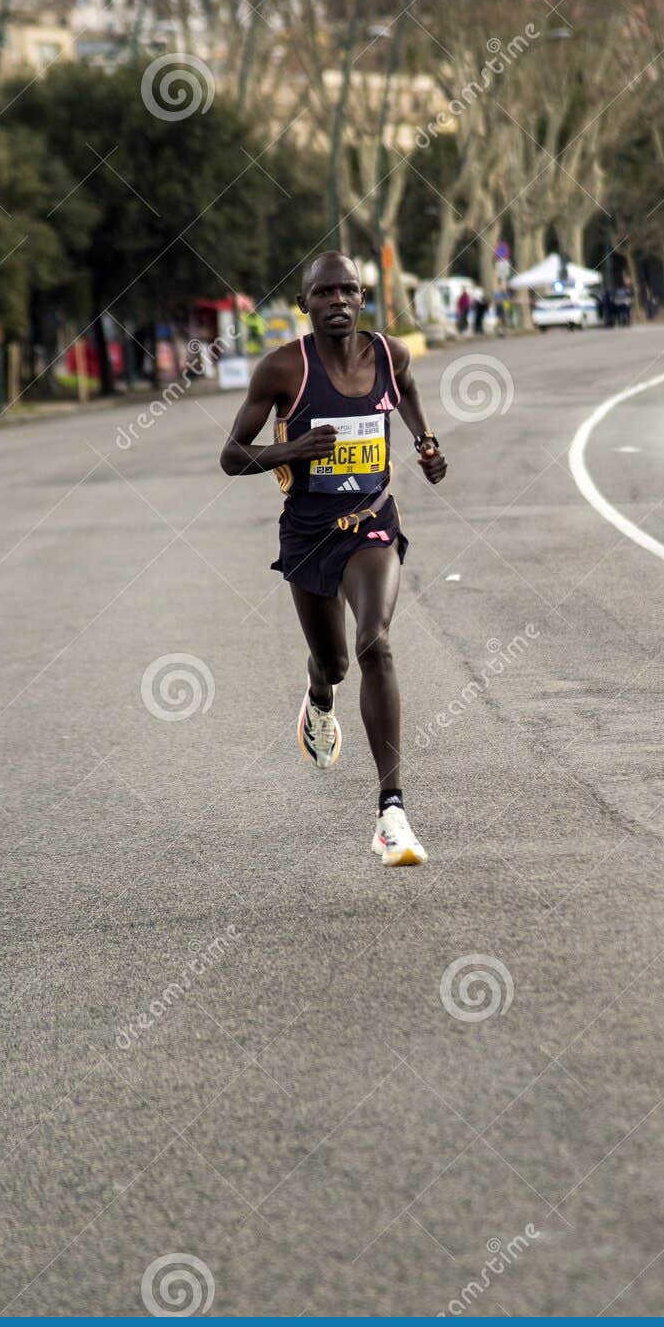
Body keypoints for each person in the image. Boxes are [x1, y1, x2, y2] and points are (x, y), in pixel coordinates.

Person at [220, 252, 448, 866]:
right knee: (338, 662)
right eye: (325, 293)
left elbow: (410, 393)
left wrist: (428, 445)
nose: (339, 301)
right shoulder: (281, 370)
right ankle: (319, 697)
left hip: (373, 520)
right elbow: (232, 456)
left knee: (376, 642)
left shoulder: (390, 356)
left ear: (363, 297)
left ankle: (391, 813)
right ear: (305, 304)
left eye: (349, 290)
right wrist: (292, 447)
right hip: (308, 532)